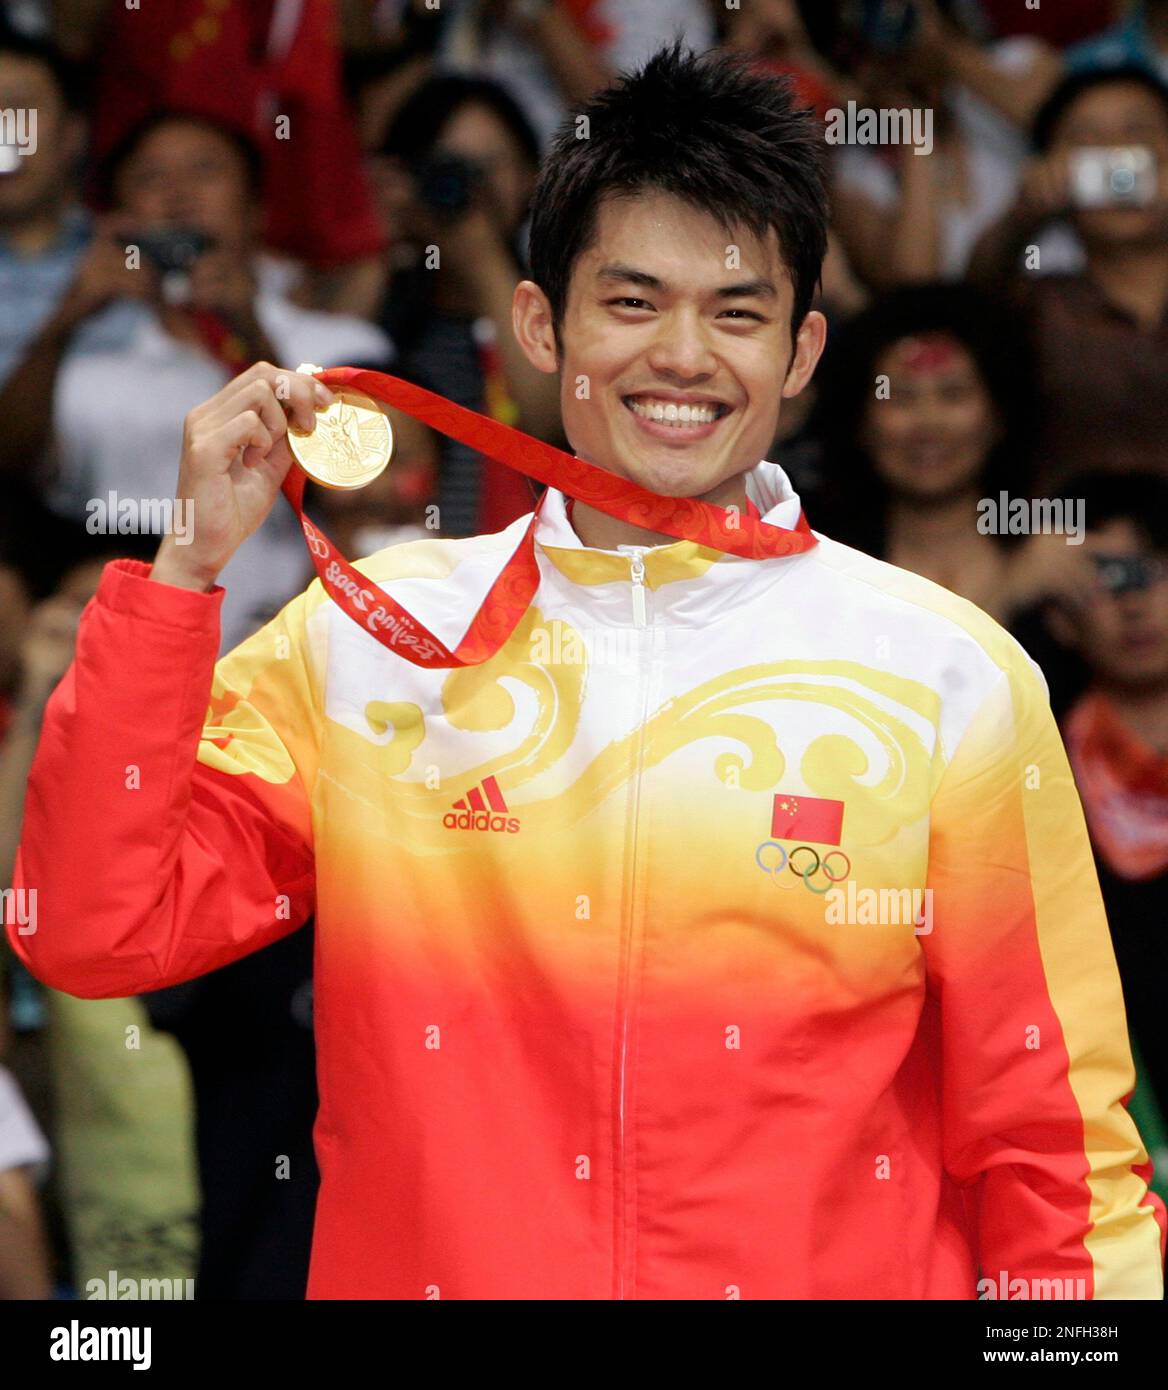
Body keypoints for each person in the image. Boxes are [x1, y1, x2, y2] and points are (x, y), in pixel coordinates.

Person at [7, 44, 1166, 1299]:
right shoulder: (371, 637)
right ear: (539, 323)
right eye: (632, 302)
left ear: (800, 352)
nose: (684, 356)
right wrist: (183, 572)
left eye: (736, 313)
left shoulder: (945, 673)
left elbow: (1056, 1149)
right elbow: (91, 931)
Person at [0, 110, 393, 651]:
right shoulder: (88, 367)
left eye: (205, 170)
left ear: (256, 210)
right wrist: (67, 316)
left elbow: (367, 490)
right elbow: (10, 463)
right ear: (118, 220)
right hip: (130, 643)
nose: (178, 194)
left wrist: (248, 330)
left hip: (290, 641)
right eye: (150, 177)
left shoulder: (338, 346)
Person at [1030, 472, 1168, 1122]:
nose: (1133, 603)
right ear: (1059, 616)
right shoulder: (1027, 764)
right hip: (1101, 1112)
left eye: (1150, 572)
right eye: (1104, 579)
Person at [968, 65, 1168, 483]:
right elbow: (970, 299)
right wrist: (1024, 215)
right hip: (1072, 523)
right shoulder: (1037, 305)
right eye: (1085, 141)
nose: (1115, 156)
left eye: (1137, 132)